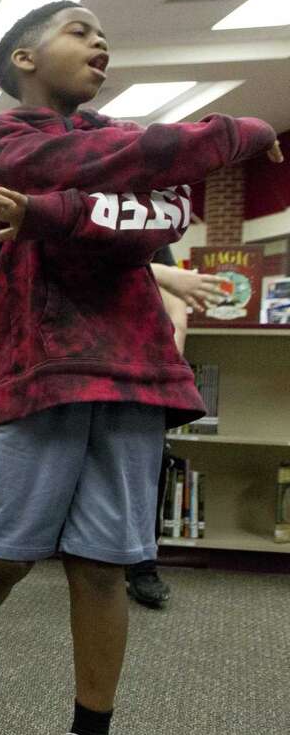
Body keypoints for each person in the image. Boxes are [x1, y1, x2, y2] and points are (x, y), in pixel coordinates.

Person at [0, 0, 280, 735]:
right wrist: (229, 134)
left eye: (101, 33)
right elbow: (93, 176)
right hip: (38, 368)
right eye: (79, 29)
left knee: (103, 563)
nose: (100, 41)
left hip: (131, 370)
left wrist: (53, 218)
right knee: (10, 548)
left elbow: (164, 213)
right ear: (22, 56)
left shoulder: (118, 143)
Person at [126, 250, 226, 607]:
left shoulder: (152, 237)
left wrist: (165, 368)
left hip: (145, 372)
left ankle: (143, 567)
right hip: (87, 362)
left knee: (148, 469)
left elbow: (176, 313)